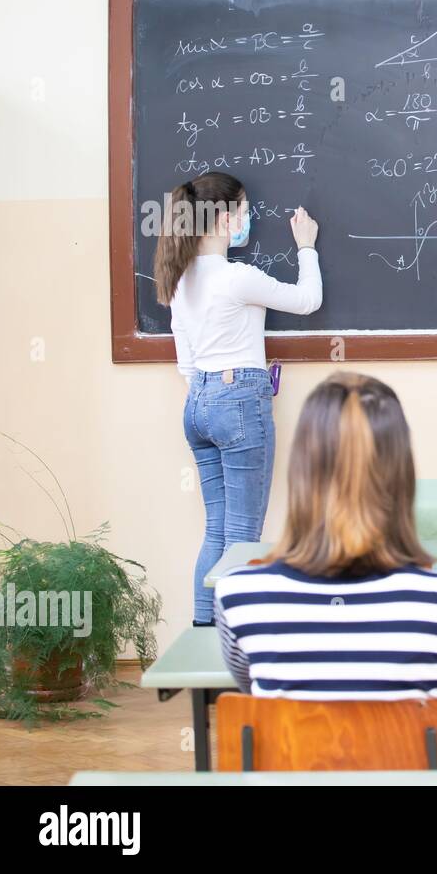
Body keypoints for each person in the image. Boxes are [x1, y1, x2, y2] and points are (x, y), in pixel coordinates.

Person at [213, 372, 437, 710]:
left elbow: (255, 689)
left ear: (301, 471)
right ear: (400, 474)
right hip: (405, 761)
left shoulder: (237, 599)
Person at [153, 171, 323, 625]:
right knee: (243, 536)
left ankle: (204, 633)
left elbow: (186, 366)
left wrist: (212, 395)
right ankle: (236, 639)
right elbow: (308, 300)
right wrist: (306, 245)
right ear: (226, 220)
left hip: (198, 406)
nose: (249, 221)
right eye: (245, 212)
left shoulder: (180, 280)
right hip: (239, 401)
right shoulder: (237, 277)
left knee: (217, 531)